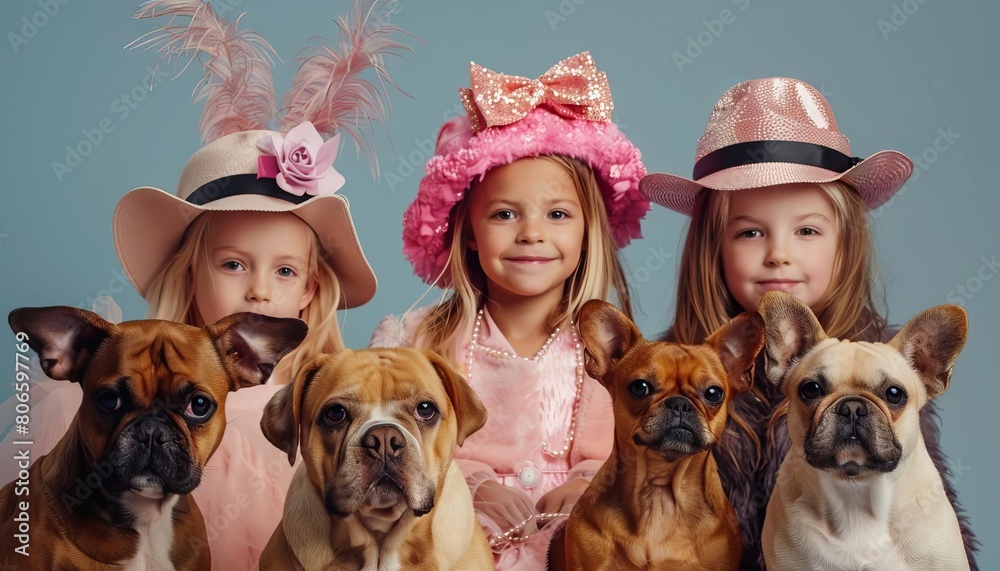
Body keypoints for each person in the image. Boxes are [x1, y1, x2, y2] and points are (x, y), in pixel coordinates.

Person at [0, 2, 407, 569]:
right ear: (190, 270)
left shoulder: (327, 403)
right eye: (234, 264)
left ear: (311, 291)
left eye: (285, 271)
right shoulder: (115, 352)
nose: (260, 289)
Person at [640, 76, 978, 569]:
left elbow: (927, 516)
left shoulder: (894, 368)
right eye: (751, 232)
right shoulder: (668, 376)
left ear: (845, 243)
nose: (779, 255)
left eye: (807, 230)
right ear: (712, 249)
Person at [369, 52, 649, 569]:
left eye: (558, 214)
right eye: (504, 214)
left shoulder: (609, 348)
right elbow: (389, 444)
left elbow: (626, 442)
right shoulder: (421, 341)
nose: (532, 233)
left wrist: (589, 481)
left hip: (577, 540)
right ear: (469, 232)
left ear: (589, 231)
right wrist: (470, 484)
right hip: (452, 538)